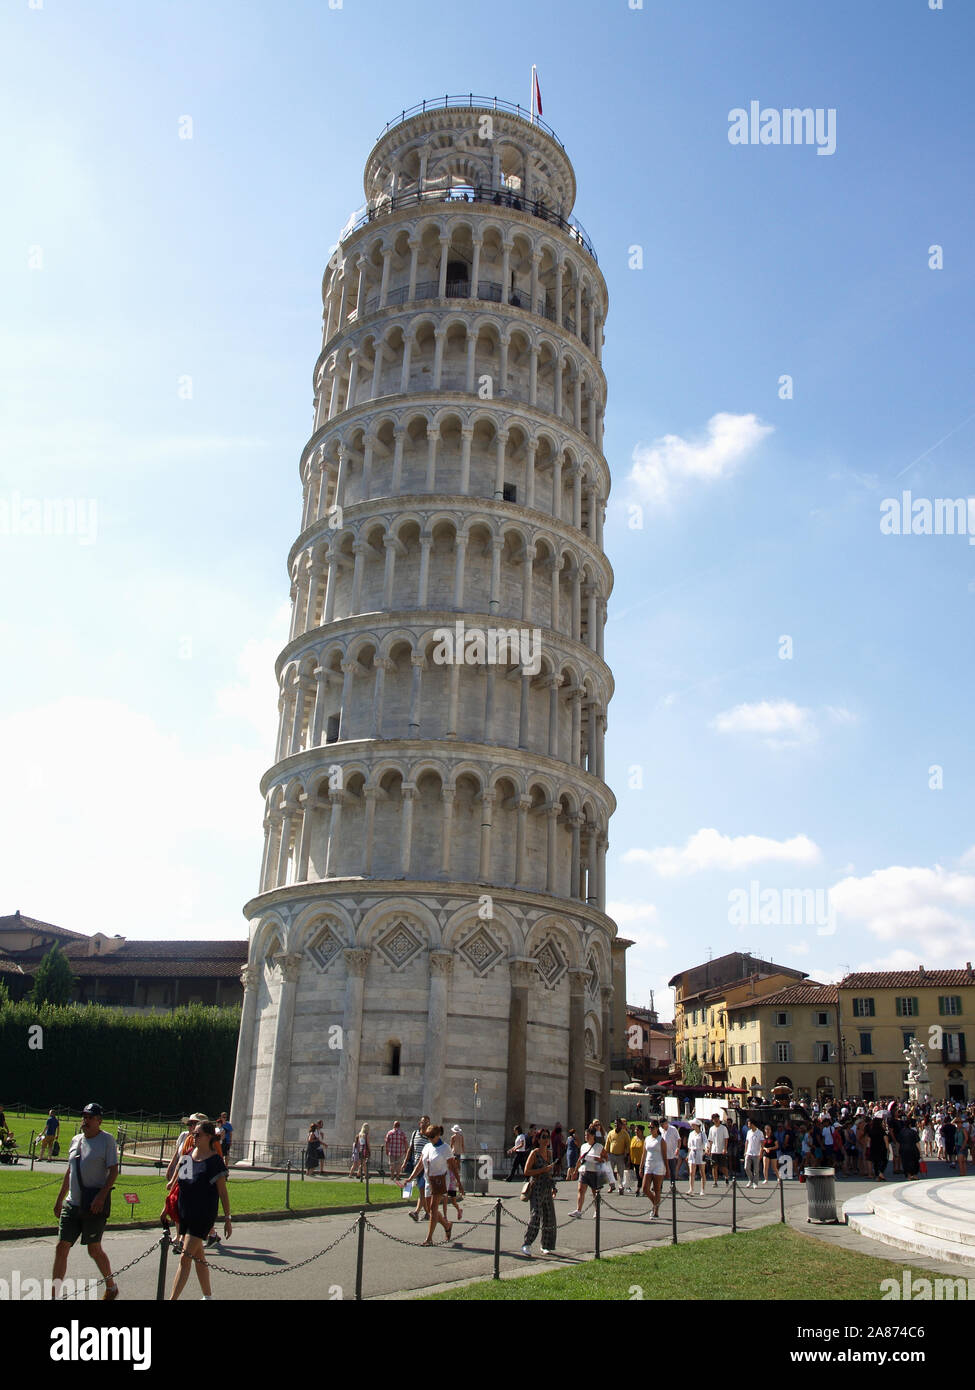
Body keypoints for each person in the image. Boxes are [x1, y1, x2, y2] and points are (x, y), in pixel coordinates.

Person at [51, 1102, 119, 1301]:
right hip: (72, 1203)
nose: (86, 1120)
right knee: (61, 1246)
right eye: (84, 1116)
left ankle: (111, 1286)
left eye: (90, 1117)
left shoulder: (107, 1140)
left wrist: (101, 1196)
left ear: (99, 1121)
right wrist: (59, 1199)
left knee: (94, 1249)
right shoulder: (76, 1140)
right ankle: (53, 1295)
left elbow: (113, 1171)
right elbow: (70, 1171)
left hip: (93, 1205)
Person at [169, 1121, 232, 1300]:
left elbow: (223, 1192)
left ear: (209, 1137)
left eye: (197, 1134)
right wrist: (168, 1207)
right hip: (186, 1213)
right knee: (199, 1256)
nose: (193, 1137)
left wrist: (228, 1218)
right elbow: (181, 1186)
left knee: (185, 1257)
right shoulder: (189, 1155)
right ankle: (208, 1296)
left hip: (203, 1215)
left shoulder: (215, 1161)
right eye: (193, 1134)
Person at [403, 1124, 452, 1246]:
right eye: (428, 1136)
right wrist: (410, 1178)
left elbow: (453, 1166)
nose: (429, 1138)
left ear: (437, 1135)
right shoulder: (427, 1147)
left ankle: (429, 1238)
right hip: (429, 1181)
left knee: (434, 1207)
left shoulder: (445, 1148)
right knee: (430, 1209)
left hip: (440, 1181)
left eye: (431, 1136)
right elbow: (420, 1164)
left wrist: (457, 1185)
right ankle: (447, 1225)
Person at [521, 1127, 558, 1255]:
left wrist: (554, 1187)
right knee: (536, 1215)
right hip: (536, 1187)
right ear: (538, 1139)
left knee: (548, 1217)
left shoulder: (549, 1153)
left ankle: (545, 1245)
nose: (546, 1139)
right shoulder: (534, 1153)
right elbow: (526, 1171)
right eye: (543, 1137)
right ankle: (527, 1243)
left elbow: (550, 1173)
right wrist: (542, 1170)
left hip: (547, 1187)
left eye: (547, 1137)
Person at [568, 1125, 607, 1217]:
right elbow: (580, 1159)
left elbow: (606, 1158)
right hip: (584, 1171)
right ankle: (578, 1210)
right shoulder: (583, 1146)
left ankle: (597, 1211)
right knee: (581, 1190)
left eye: (588, 1135)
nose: (586, 1137)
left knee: (595, 1192)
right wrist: (575, 1171)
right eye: (585, 1135)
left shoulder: (599, 1146)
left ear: (593, 1136)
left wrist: (598, 1159)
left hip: (595, 1172)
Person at [406, 1116, 430, 1223]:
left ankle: (416, 1212)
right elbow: (410, 1149)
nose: (425, 1124)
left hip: (426, 1167)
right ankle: (428, 1213)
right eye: (423, 1122)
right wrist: (405, 1161)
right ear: (420, 1123)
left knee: (422, 1190)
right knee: (423, 1191)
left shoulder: (430, 1137)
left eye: (427, 1123)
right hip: (416, 1165)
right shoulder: (415, 1134)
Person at [641, 1119, 667, 1218]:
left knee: (657, 1189)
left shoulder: (661, 1140)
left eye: (652, 1127)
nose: (650, 1129)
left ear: (657, 1128)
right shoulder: (647, 1139)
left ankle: (656, 1211)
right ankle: (655, 1204)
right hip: (648, 1165)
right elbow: (644, 1153)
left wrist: (667, 1169)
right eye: (649, 1128)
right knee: (645, 1188)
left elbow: (664, 1155)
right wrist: (641, 1167)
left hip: (658, 1165)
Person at [706, 1113, 730, 1187]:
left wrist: (725, 1148)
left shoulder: (723, 1128)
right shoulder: (711, 1129)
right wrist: (709, 1149)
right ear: (712, 1120)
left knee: (722, 1166)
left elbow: (726, 1139)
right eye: (714, 1119)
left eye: (717, 1118)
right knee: (714, 1166)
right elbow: (710, 1140)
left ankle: (726, 1176)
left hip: (721, 1150)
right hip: (714, 1150)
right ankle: (715, 1182)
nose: (716, 1120)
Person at [447, 1124, 465, 1218]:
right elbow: (462, 1145)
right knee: (457, 1168)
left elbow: (450, 1145)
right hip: (458, 1152)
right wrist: (463, 1152)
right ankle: (446, 1216)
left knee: (454, 1168)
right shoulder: (461, 1136)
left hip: (454, 1152)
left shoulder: (453, 1137)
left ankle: (457, 1210)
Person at [606, 1119, 630, 1191]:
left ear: (621, 1125)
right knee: (610, 1171)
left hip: (621, 1156)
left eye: (618, 1124)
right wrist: (605, 1154)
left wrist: (627, 1156)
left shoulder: (625, 1134)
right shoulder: (610, 1133)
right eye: (615, 1124)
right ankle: (612, 1186)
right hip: (611, 1155)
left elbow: (628, 1146)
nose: (616, 1125)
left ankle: (620, 1186)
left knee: (620, 1172)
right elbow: (607, 1144)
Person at [686, 1119, 706, 1195]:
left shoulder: (702, 1134)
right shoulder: (691, 1134)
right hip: (692, 1152)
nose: (692, 1125)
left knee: (702, 1172)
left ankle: (702, 1189)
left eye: (693, 1124)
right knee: (691, 1172)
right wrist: (688, 1154)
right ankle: (691, 1189)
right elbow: (689, 1145)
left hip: (700, 1152)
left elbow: (706, 1142)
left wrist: (706, 1149)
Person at [743, 1119, 764, 1188]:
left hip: (756, 1153)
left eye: (749, 1124)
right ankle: (750, 1179)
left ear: (752, 1124)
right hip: (749, 1152)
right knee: (746, 1167)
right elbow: (747, 1142)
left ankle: (755, 1183)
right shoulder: (748, 1132)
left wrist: (761, 1153)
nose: (748, 1125)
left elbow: (762, 1144)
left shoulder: (760, 1133)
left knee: (756, 1169)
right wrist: (745, 1151)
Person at [660, 1117, 680, 1183]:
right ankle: (659, 1186)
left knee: (672, 1171)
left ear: (666, 1123)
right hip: (663, 1154)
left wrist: (677, 1148)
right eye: (661, 1125)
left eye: (663, 1125)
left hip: (672, 1153)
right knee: (662, 1170)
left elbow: (679, 1140)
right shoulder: (660, 1130)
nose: (662, 1127)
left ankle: (673, 1185)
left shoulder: (673, 1129)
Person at [629, 1124, 646, 1189]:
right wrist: (629, 1159)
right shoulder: (633, 1138)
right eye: (635, 1129)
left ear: (641, 1131)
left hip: (642, 1161)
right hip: (634, 1160)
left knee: (641, 1175)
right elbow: (630, 1149)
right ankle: (637, 1186)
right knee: (636, 1175)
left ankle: (639, 1188)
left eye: (637, 1130)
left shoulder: (644, 1139)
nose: (636, 1131)